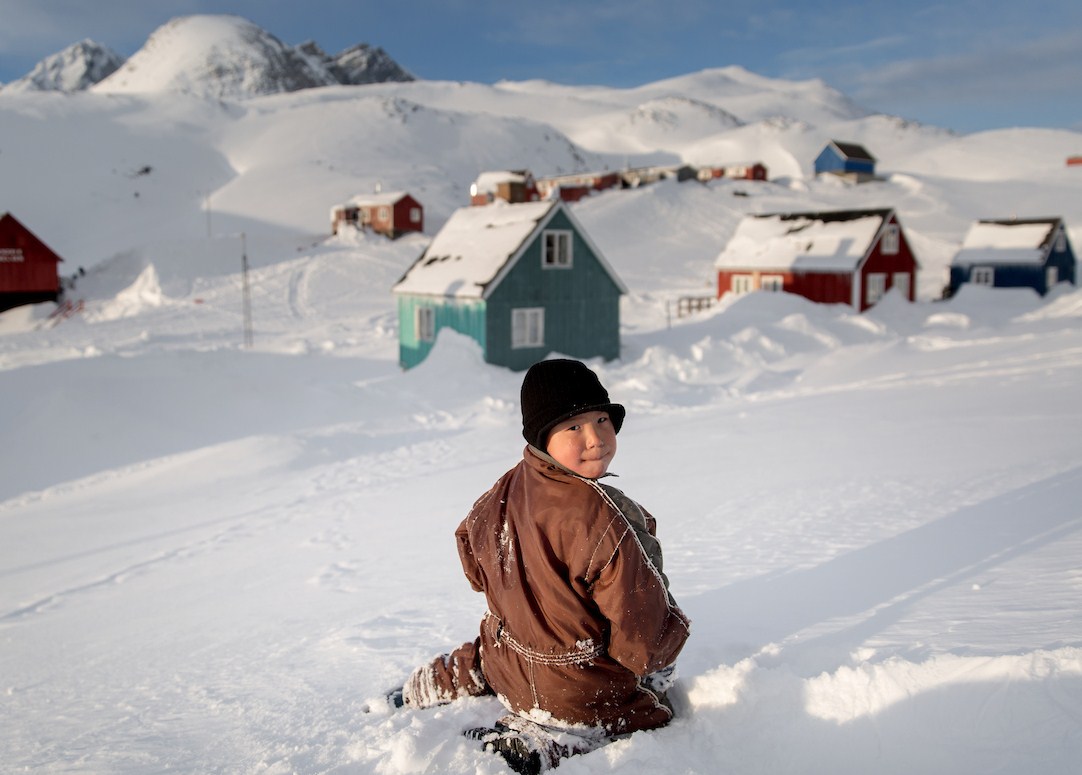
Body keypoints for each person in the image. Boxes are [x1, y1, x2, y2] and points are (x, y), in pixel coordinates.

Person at [397, 358, 691, 773]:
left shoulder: (503, 489)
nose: (596, 439)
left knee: (488, 654)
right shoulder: (605, 518)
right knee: (640, 707)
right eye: (573, 427)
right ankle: (552, 742)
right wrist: (660, 657)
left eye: (603, 420)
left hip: (507, 659)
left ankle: (432, 683)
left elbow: (470, 552)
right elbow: (641, 635)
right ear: (543, 435)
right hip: (577, 687)